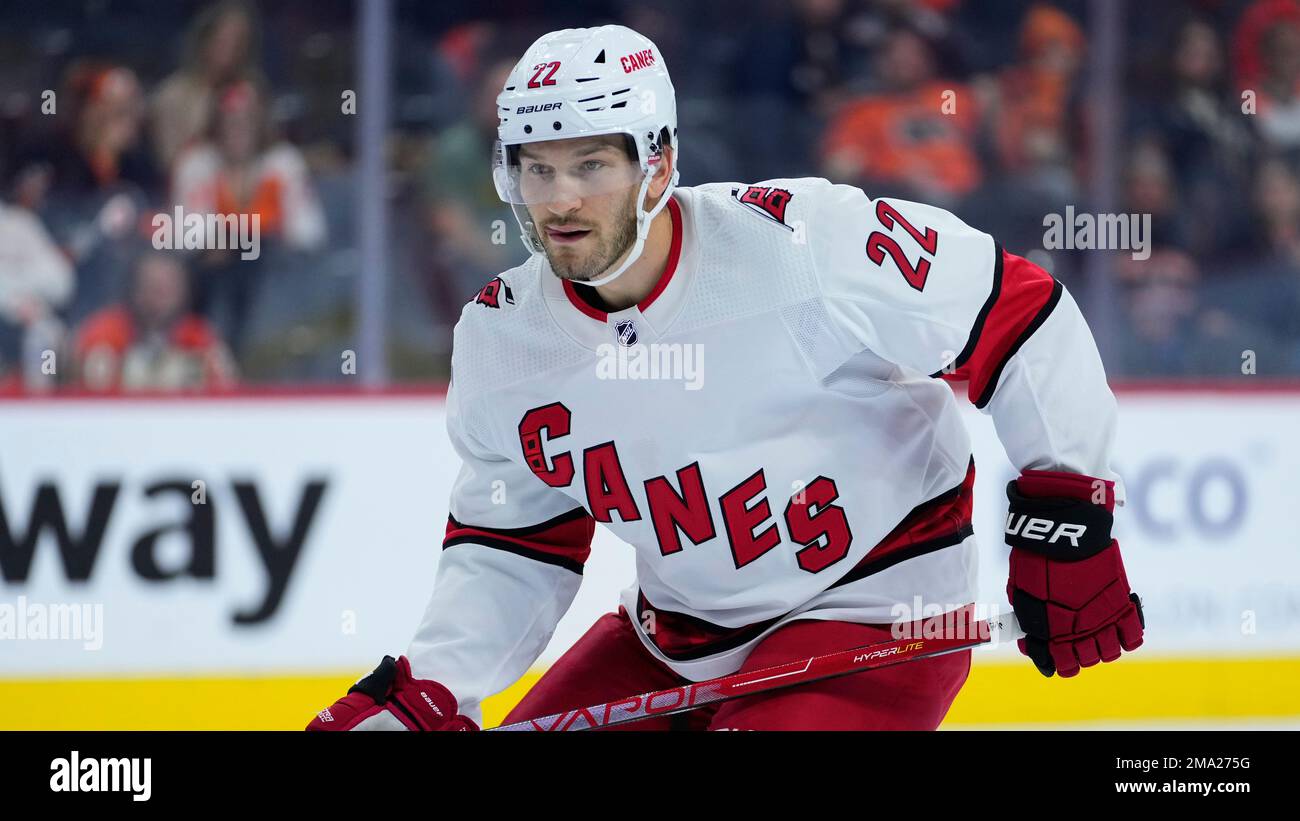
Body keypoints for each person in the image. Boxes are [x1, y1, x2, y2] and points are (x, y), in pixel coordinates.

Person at [309, 24, 1143, 732]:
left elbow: (1019, 312)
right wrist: (432, 689)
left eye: (591, 165)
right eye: (538, 168)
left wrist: (1067, 508)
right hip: (678, 635)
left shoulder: (800, 245)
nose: (559, 201)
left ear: (659, 164)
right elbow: (513, 542)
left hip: (876, 611)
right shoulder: (502, 340)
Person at [73, 250, 236, 392]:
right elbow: (89, 384)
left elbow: (225, 387)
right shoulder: (107, 329)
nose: (160, 296)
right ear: (134, 288)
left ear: (184, 290)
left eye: (168, 287)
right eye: (152, 286)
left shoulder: (197, 334)